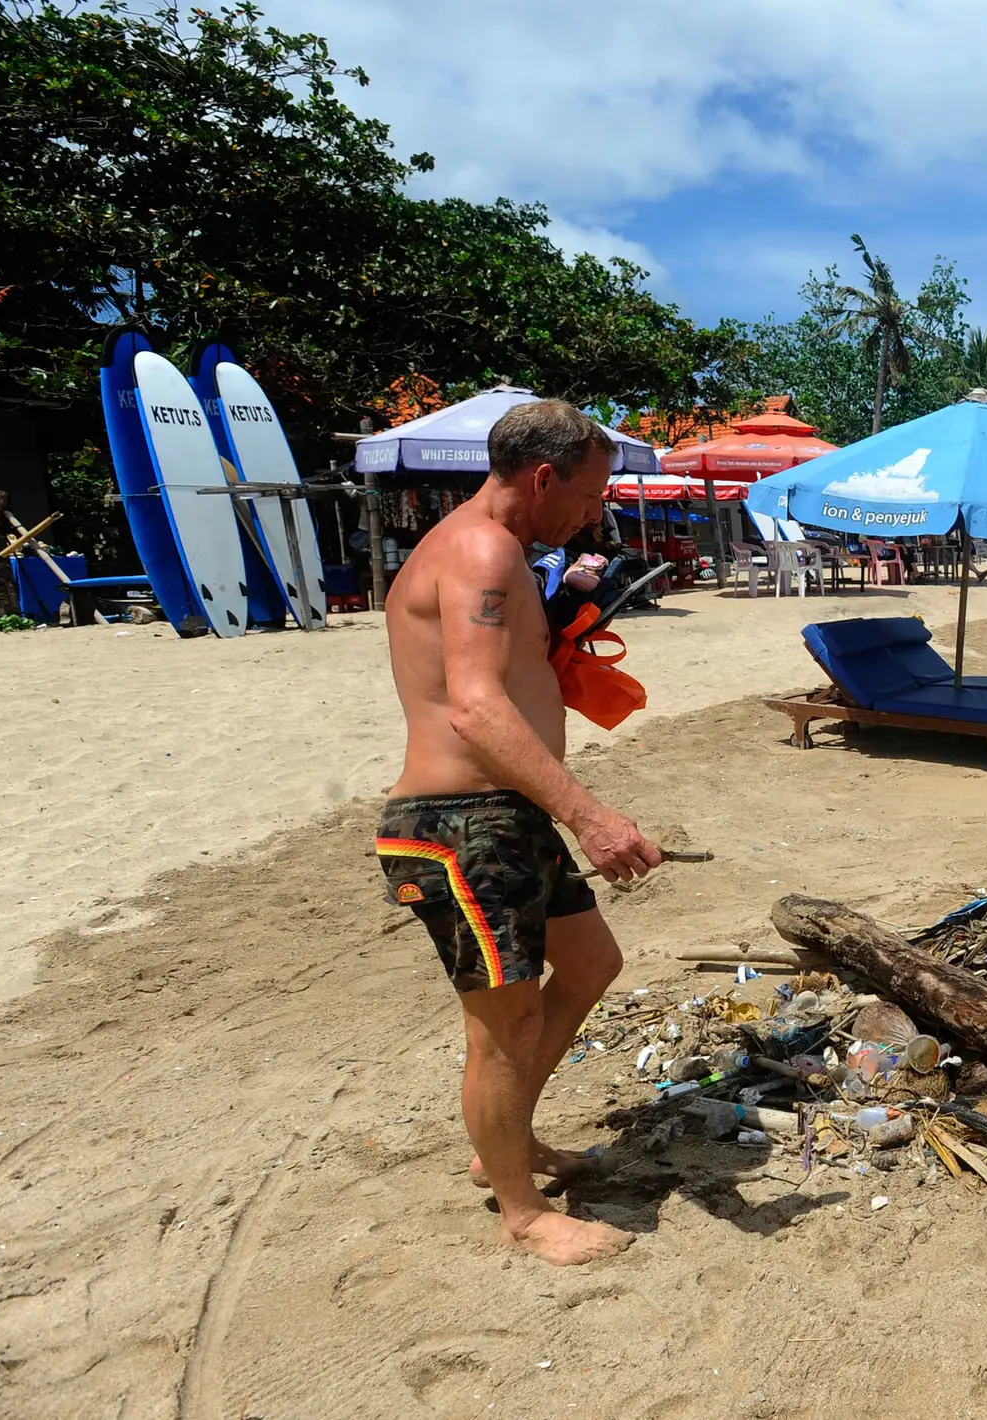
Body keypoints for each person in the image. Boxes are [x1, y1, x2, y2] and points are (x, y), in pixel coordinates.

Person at [376, 400, 662, 1267]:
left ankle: (507, 1143)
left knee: (589, 965)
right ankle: (522, 1211)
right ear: (543, 478)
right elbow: (474, 705)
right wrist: (591, 815)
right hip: (458, 824)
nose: (595, 511)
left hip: (504, 813)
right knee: (506, 1020)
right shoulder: (481, 549)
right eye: (589, 492)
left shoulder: (499, 554)